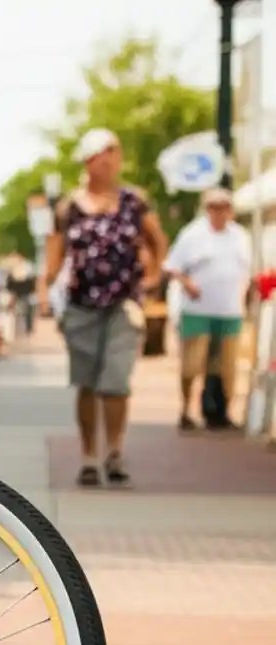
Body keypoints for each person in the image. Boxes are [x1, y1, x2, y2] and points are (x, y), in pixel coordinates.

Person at [45, 128, 169, 486]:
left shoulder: (134, 202)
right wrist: (45, 292)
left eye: (114, 152)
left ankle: (114, 451)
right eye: (104, 153)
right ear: (88, 160)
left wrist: (153, 275)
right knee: (86, 382)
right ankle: (88, 455)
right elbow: (55, 256)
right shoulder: (69, 208)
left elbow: (157, 240)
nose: (111, 160)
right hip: (82, 303)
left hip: (123, 303)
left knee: (115, 380)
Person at [164, 187, 252, 431]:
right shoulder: (193, 234)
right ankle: (185, 409)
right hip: (197, 308)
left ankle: (219, 411)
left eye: (224, 207)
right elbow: (172, 266)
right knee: (192, 364)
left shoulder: (239, 236)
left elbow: (248, 269)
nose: (220, 213)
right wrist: (187, 283)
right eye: (214, 207)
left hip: (229, 309)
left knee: (225, 366)